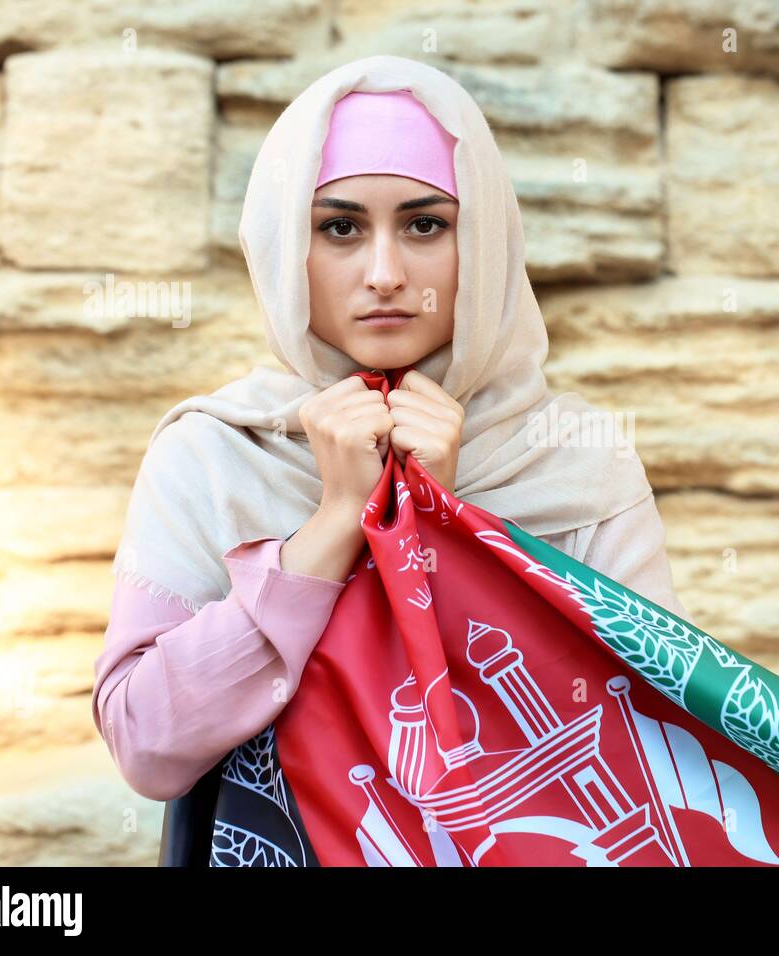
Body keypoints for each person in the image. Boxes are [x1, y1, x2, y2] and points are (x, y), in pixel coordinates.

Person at [91, 56, 689, 804]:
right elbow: (146, 746)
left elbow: (657, 746)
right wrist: (334, 526)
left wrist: (447, 535)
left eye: (425, 224)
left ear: (483, 245)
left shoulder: (575, 461)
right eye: (339, 227)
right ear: (287, 250)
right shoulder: (214, 453)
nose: (384, 272)